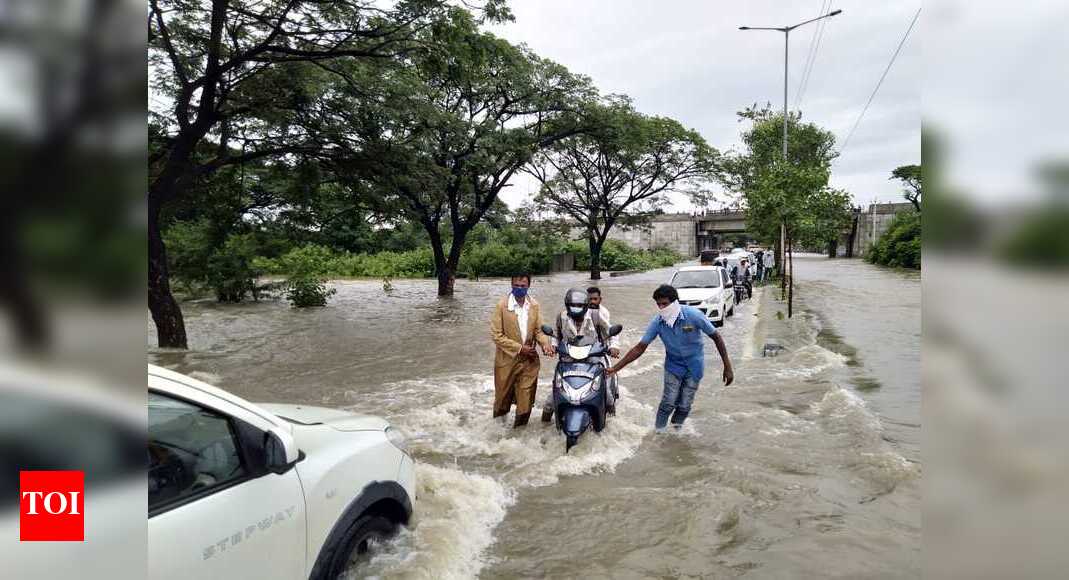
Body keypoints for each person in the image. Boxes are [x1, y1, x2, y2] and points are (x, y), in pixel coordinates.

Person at [606, 284, 734, 432]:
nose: (662, 308)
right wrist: (615, 368)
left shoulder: (694, 315)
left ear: (675, 302)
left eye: (665, 304)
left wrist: (727, 366)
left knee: (685, 404)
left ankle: (675, 432)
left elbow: (716, 337)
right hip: (673, 366)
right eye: (658, 304)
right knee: (668, 402)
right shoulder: (658, 322)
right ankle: (659, 433)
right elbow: (640, 348)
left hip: (694, 366)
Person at [541, 288, 615, 423]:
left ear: (585, 306)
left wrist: (614, 347)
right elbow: (556, 336)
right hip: (568, 359)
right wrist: (553, 346)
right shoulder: (561, 317)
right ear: (567, 306)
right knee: (550, 401)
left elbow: (610, 332)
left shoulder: (596, 315)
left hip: (592, 358)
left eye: (579, 306)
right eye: (573, 306)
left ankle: (612, 417)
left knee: (607, 395)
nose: (576, 309)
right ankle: (543, 426)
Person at [490, 273, 554, 427]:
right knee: (502, 401)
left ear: (528, 286)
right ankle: (498, 434)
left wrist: (545, 344)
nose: (519, 288)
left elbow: (538, 330)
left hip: (529, 360)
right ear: (511, 285)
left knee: (526, 401)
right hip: (507, 360)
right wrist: (519, 348)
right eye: (516, 286)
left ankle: (519, 435)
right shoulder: (502, 306)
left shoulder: (534, 305)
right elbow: (496, 335)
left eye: (523, 286)